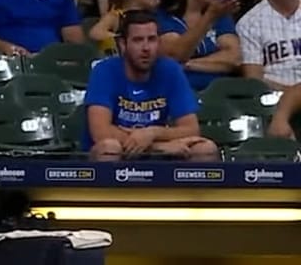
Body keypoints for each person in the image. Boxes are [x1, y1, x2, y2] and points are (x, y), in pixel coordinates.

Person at [83, 10, 219, 161]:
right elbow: (100, 131)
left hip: (159, 153)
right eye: (138, 40)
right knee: (110, 148)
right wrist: (156, 147)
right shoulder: (104, 70)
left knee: (205, 149)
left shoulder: (170, 70)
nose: (146, 48)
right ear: (122, 44)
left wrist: (153, 133)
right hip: (121, 151)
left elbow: (191, 129)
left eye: (152, 39)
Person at [157, 0, 243, 92]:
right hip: (180, 90)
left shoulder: (220, 15)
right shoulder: (164, 18)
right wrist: (209, 18)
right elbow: (176, 54)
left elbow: (235, 58)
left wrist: (189, 64)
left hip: (221, 91)